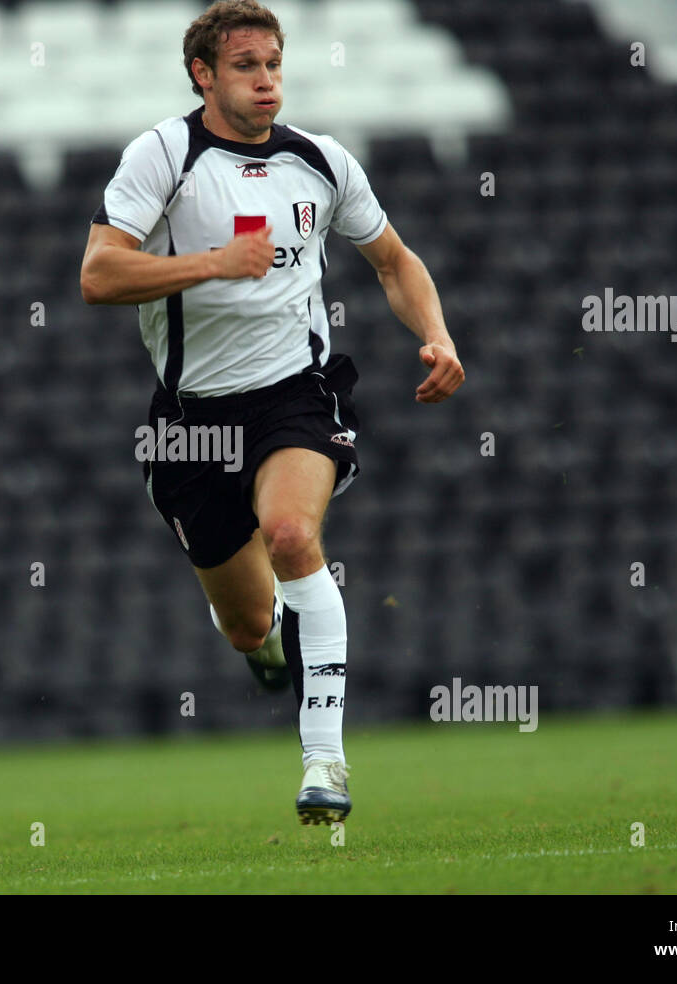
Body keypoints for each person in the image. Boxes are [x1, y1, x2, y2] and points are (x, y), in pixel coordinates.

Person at [80, 0, 463, 824]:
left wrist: (436, 335)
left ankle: (324, 762)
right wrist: (212, 263)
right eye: (247, 66)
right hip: (190, 420)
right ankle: (267, 647)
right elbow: (99, 276)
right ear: (204, 74)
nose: (266, 81)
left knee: (292, 534)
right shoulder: (163, 154)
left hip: (297, 395)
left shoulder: (321, 161)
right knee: (250, 624)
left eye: (275, 65)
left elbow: (394, 263)